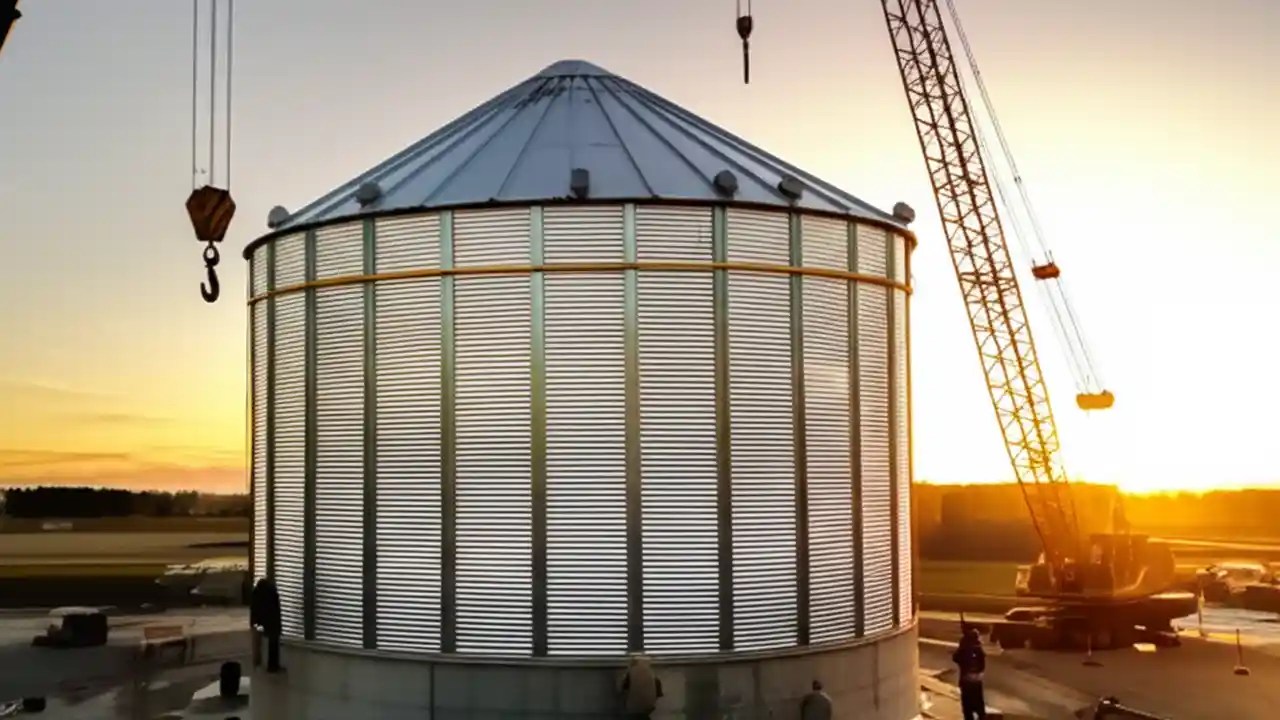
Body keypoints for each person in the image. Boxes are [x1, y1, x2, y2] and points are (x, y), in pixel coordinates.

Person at [249, 576, 283, 673]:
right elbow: (275, 611)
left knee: (257, 642)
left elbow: (254, 609)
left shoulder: (256, 592)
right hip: (270, 623)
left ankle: (257, 664)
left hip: (258, 622)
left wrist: (255, 623)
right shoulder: (272, 592)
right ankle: (272, 666)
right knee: (272, 642)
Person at [952, 626, 986, 720]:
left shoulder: (964, 650)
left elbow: (955, 658)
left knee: (967, 707)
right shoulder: (979, 649)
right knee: (979, 703)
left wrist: (962, 645)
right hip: (977, 681)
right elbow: (982, 663)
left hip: (966, 681)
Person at [618, 654, 663, 719]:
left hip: (632, 713)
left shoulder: (629, 677)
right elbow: (656, 697)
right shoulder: (655, 679)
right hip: (645, 712)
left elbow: (623, 692)